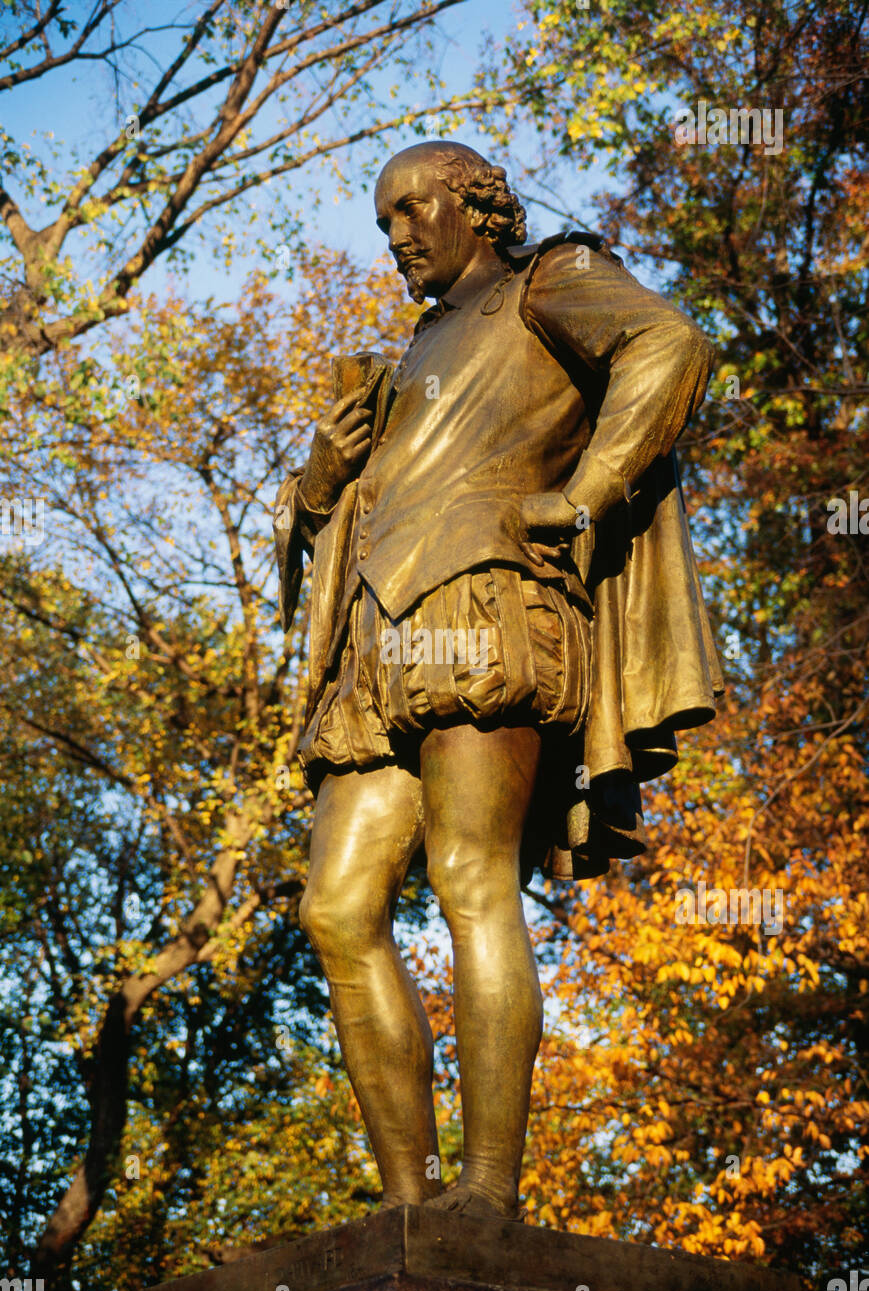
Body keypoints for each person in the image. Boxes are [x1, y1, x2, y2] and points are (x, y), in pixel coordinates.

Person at [273, 141, 723, 1220]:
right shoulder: (413, 353)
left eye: (412, 210)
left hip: (486, 611)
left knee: (471, 875)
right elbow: (336, 522)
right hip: (376, 640)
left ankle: (483, 1194)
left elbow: (669, 343)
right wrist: (318, 479)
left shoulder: (547, 281)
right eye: (382, 224)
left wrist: (586, 492)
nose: (396, 238)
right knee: (334, 907)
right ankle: (405, 1201)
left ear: (476, 205)